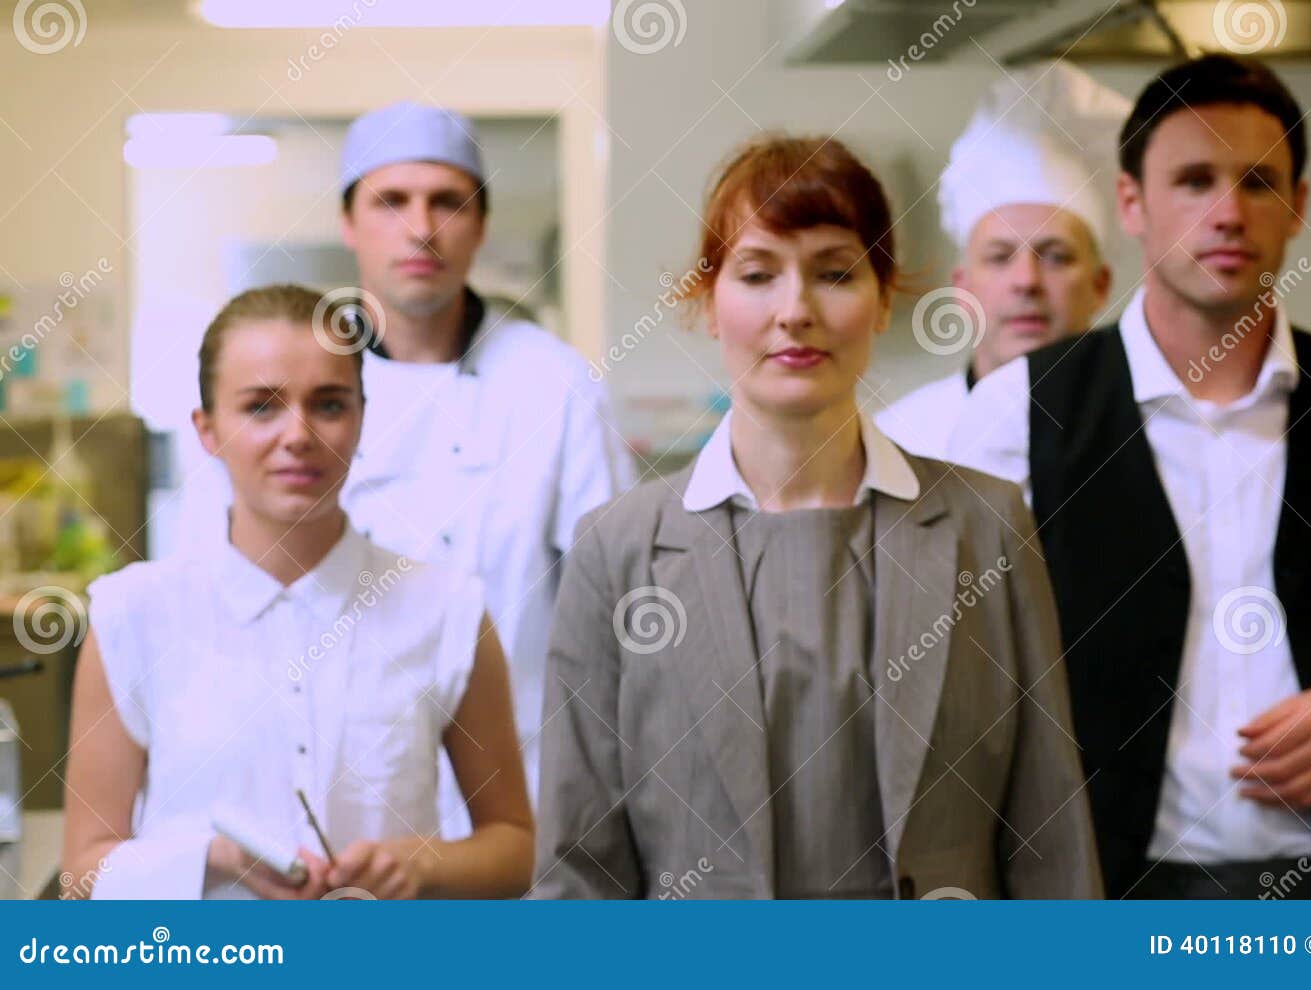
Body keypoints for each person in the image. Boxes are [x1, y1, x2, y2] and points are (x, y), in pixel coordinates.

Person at [949, 54, 1311, 900]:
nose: (1227, 212)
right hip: (1091, 896)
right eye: (1194, 179)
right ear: (1132, 202)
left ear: (1299, 207)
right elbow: (957, 676)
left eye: (1258, 181)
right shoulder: (1014, 413)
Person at [534, 136, 1100, 899]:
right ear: (707, 302)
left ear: (884, 296)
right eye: (758, 273)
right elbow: (581, 873)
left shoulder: (986, 527)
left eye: (835, 272)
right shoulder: (619, 552)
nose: (795, 311)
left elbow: (1051, 845)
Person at [179, 102, 633, 832]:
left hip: (529, 805)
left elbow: (615, 617)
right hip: (333, 813)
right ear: (350, 223)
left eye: (447, 201)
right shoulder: (297, 385)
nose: (421, 227)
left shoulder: (557, 388)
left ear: (480, 225)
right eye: (391, 201)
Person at [62, 285, 533, 899]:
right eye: (261, 407)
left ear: (362, 418)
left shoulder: (447, 611)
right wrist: (209, 860)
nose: (299, 435)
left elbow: (514, 844)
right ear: (206, 430)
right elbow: (81, 873)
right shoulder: (132, 616)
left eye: (329, 404)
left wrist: (423, 866)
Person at [876, 63, 1122, 459]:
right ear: (963, 287)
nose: (1027, 280)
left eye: (1055, 256)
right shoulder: (899, 443)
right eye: (1000, 257)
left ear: (1100, 286)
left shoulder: (1151, 431)